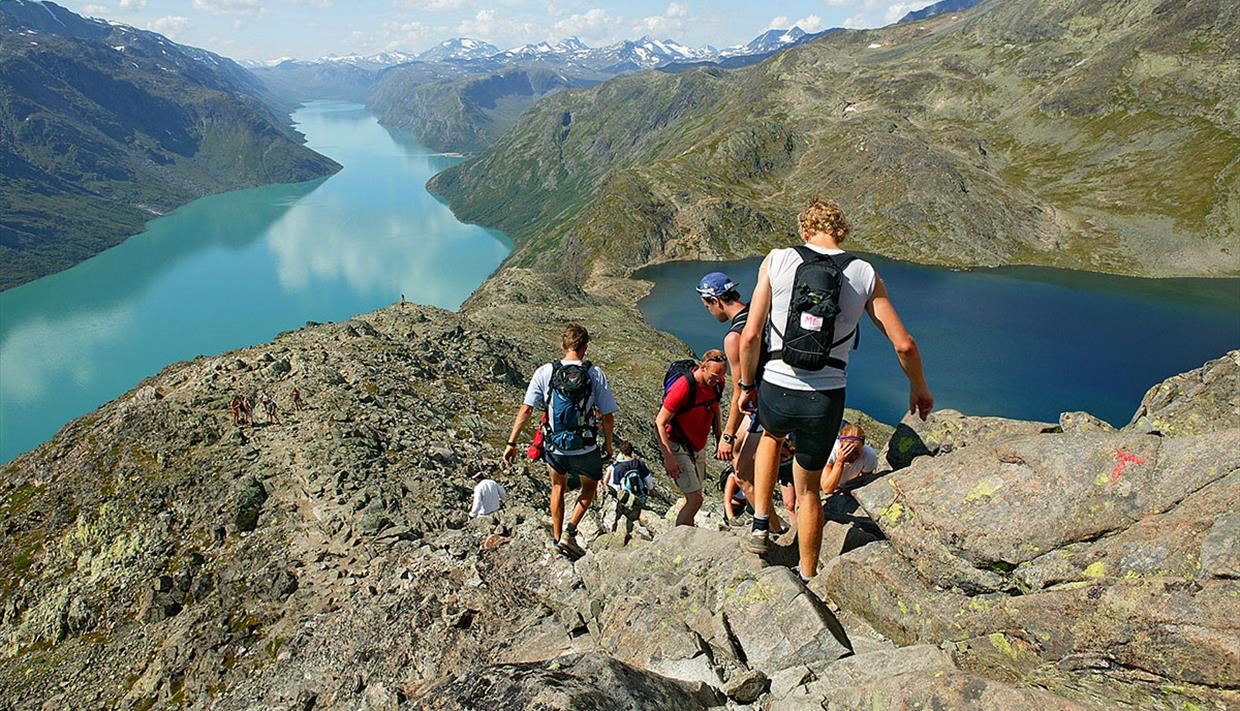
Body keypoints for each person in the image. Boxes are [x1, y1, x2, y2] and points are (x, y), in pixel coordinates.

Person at [738, 198, 933, 583]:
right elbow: (904, 344)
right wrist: (919, 388)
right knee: (809, 489)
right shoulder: (864, 273)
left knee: (771, 438)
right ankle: (809, 576)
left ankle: (760, 524)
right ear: (842, 232)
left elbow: (750, 336)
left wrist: (746, 385)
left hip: (777, 382)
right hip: (826, 396)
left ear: (804, 231)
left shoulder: (776, 259)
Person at [502, 324, 618, 556]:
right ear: (585, 347)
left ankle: (556, 540)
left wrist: (511, 443)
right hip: (585, 447)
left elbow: (526, 410)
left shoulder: (545, 371)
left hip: (555, 448)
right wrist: (607, 443)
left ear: (563, 345)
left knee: (558, 487)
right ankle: (570, 531)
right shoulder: (594, 373)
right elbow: (607, 416)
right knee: (589, 488)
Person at [697, 273, 785, 535]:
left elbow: (740, 392)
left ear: (715, 300)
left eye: (707, 306)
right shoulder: (759, 312)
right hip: (787, 392)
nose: (710, 312)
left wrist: (726, 434)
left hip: (766, 406)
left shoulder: (734, 337)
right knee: (738, 448)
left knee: (743, 474)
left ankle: (774, 531)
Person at [655, 350, 726, 527]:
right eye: (715, 375)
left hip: (698, 446)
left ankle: (687, 529)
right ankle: (679, 542)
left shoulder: (717, 383)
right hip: (677, 445)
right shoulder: (684, 387)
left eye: (721, 375)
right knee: (695, 499)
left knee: (694, 496)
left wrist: (720, 438)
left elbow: (715, 407)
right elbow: (660, 422)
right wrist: (668, 458)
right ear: (703, 367)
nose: (718, 380)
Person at [822, 423, 878, 494]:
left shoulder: (869, 455)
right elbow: (827, 489)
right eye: (848, 451)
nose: (853, 457)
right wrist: (840, 461)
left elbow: (864, 481)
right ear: (841, 444)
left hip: (846, 486)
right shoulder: (832, 450)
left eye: (856, 452)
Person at [607, 441, 654, 512]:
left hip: (627, 499)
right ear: (632, 451)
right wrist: (651, 489)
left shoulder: (618, 468)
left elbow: (615, 485)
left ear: (621, 453)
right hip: (641, 495)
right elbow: (648, 478)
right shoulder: (640, 463)